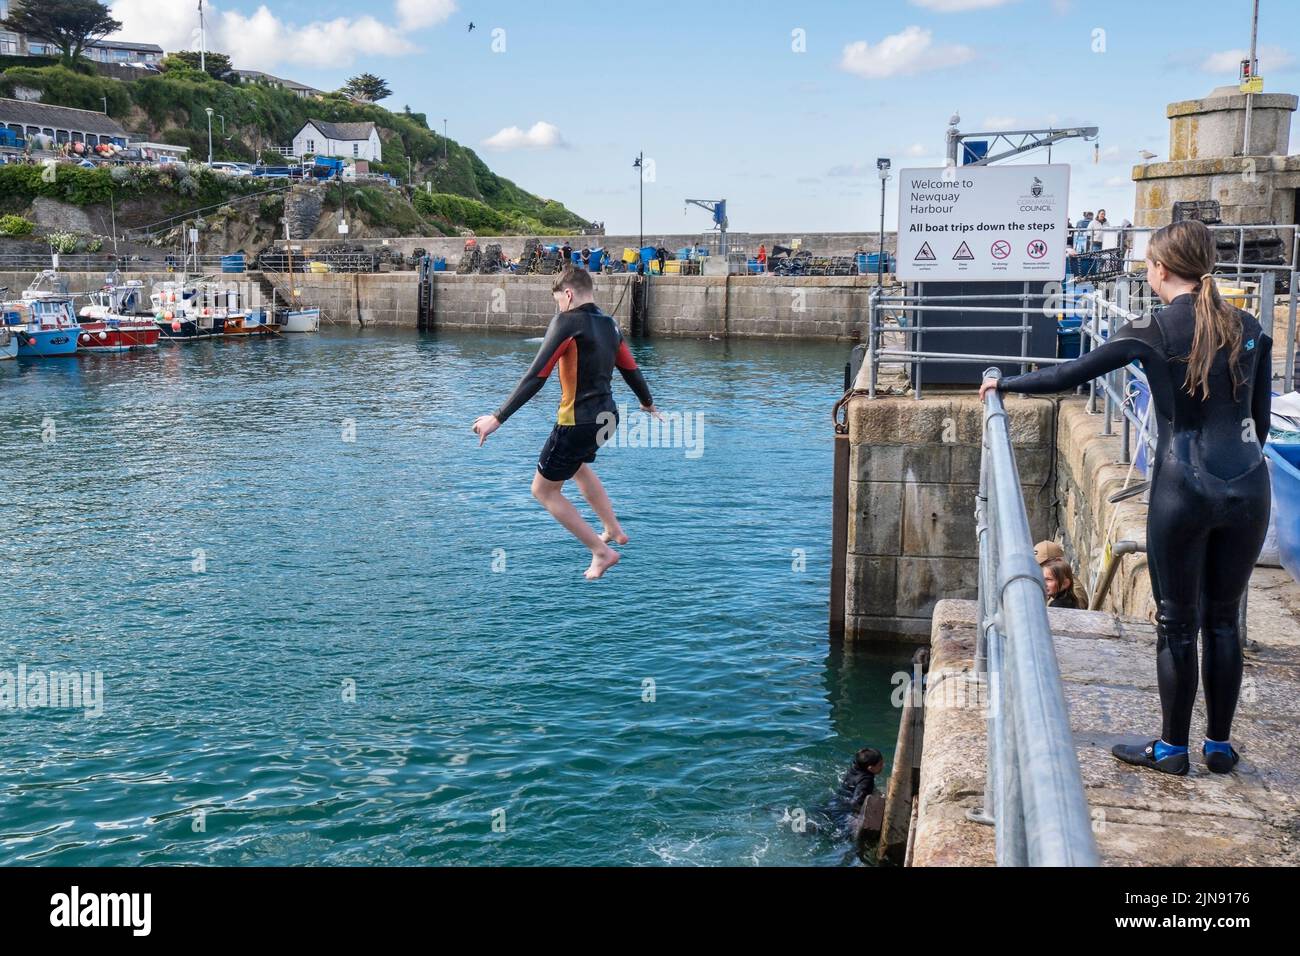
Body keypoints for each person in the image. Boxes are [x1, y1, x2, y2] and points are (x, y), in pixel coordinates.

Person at [980, 219, 1272, 776]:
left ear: (1160, 269)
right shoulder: (1251, 327)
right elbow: (1258, 420)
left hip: (1182, 489)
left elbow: (1072, 372)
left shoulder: (1153, 330)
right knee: (1224, 621)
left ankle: (1172, 748)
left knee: (1177, 622)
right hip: (1248, 487)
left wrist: (1005, 384)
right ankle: (1219, 746)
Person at [472, 266, 660, 580]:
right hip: (607, 419)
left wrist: (497, 417)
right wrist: (647, 403)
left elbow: (536, 375)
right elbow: (631, 369)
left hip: (577, 423)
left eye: (558, 300)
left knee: (543, 490)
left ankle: (602, 552)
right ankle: (613, 529)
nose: (558, 307)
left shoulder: (567, 321)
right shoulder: (609, 325)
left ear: (568, 295)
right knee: (577, 467)